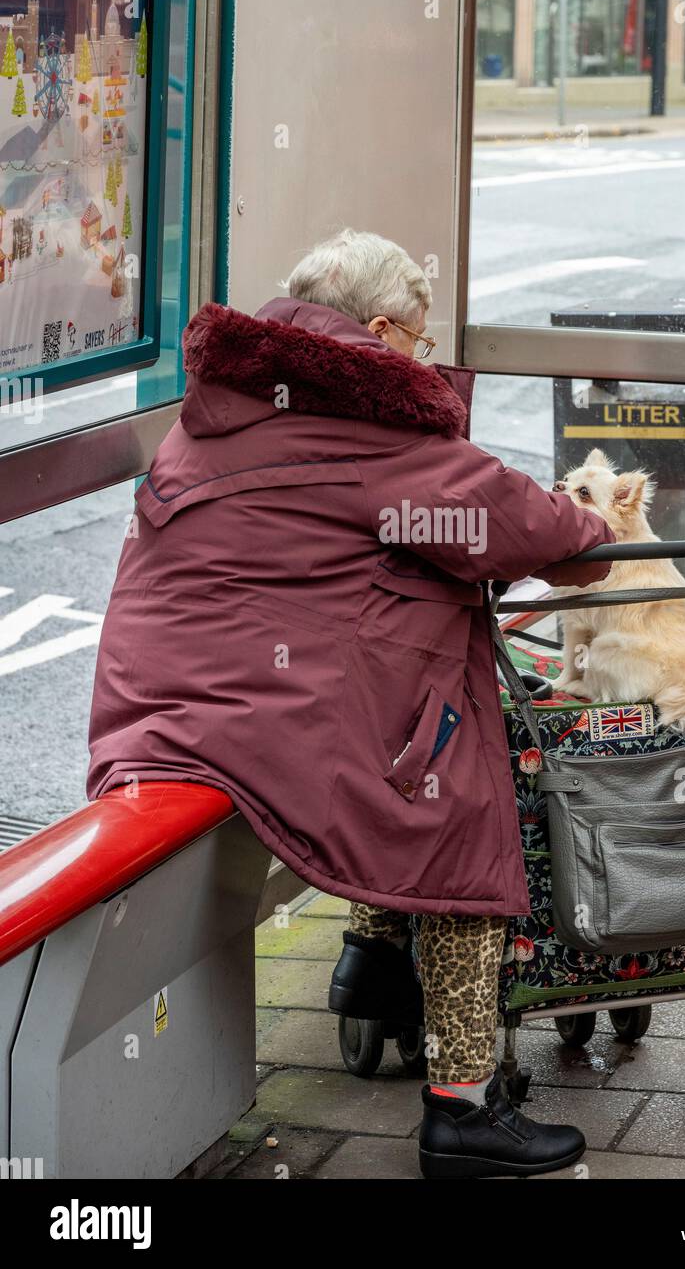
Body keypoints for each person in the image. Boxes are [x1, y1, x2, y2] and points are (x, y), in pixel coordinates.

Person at [87, 228, 615, 1179]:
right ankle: (464, 1111)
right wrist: (596, 525)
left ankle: (372, 965)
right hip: (247, 723)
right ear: (378, 329)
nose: (420, 358)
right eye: (416, 339)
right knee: (453, 794)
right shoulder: (363, 414)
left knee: (413, 715)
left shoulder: (235, 394)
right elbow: (511, 521)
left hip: (161, 702)